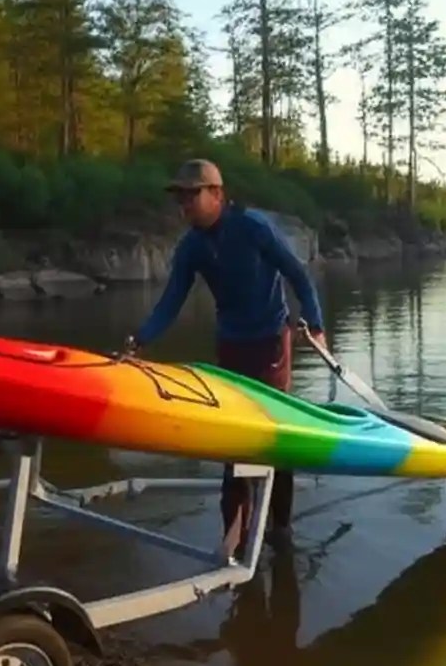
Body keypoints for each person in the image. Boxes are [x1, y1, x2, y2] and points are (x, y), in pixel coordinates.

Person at [123, 158, 327, 559]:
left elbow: (297, 275)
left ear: (217, 194)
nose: (183, 205)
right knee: (234, 441)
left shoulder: (253, 227)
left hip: (270, 342)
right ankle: (234, 541)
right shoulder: (192, 247)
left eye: (191, 195)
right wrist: (141, 339)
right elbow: (171, 301)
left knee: (275, 438)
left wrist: (315, 323)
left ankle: (280, 530)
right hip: (231, 347)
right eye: (179, 197)